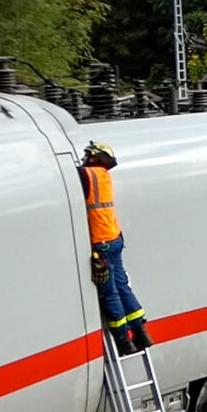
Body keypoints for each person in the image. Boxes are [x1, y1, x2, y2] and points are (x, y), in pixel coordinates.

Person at [80, 141, 152, 355]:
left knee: (110, 292)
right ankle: (141, 333)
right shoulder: (104, 176)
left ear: (94, 157)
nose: (83, 159)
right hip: (114, 238)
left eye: (87, 155)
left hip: (100, 243)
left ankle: (123, 341)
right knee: (122, 286)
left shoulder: (86, 175)